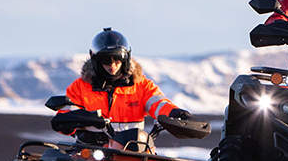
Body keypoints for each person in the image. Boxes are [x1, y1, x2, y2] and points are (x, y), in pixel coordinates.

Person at [55, 27, 190, 140]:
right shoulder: (80, 87)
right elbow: (64, 115)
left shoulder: (141, 86)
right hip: (91, 151)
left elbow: (158, 104)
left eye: (117, 60)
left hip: (133, 150)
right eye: (106, 60)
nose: (112, 65)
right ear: (96, 60)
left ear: (125, 59)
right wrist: (80, 119)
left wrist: (175, 113)